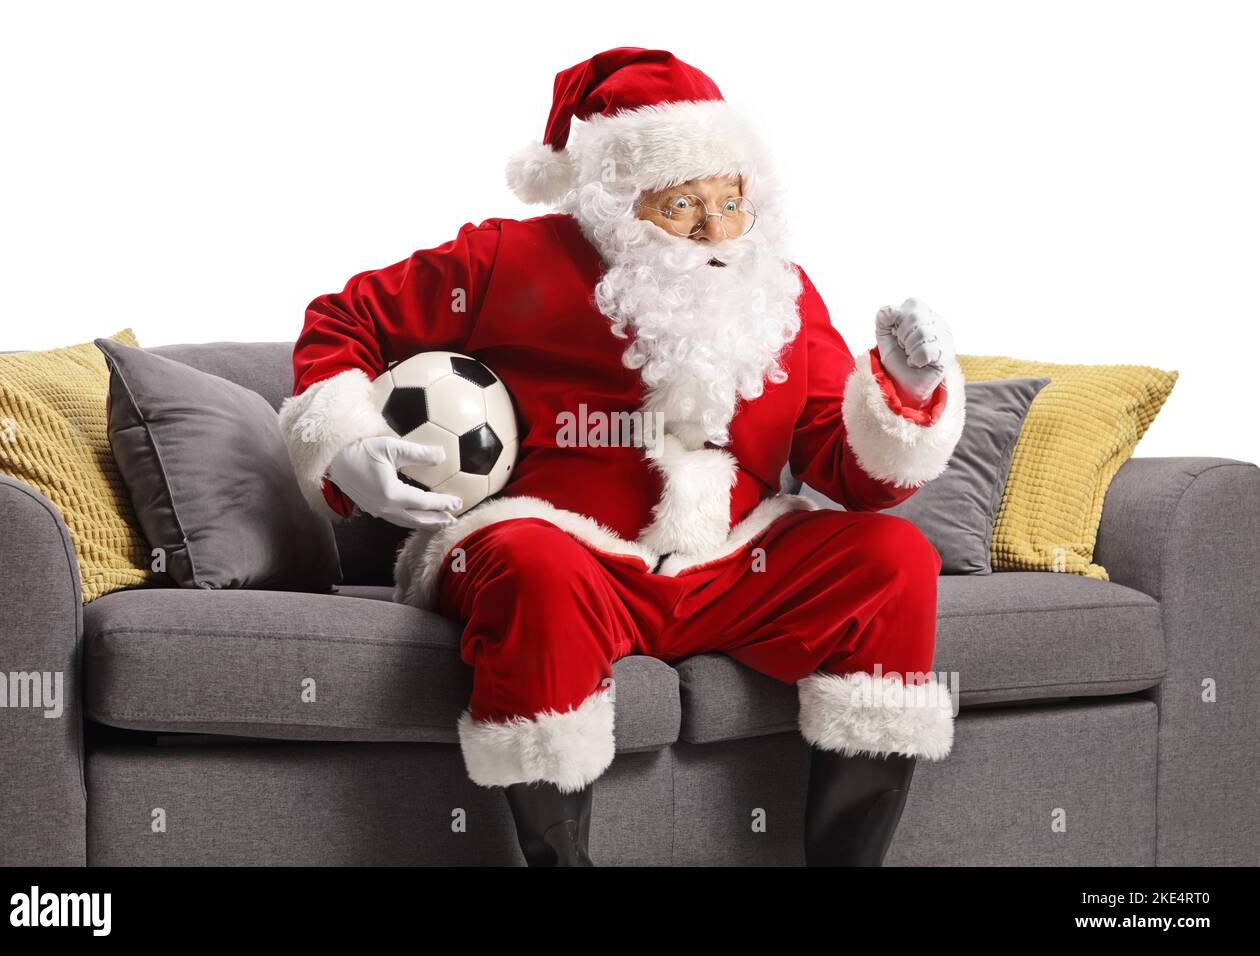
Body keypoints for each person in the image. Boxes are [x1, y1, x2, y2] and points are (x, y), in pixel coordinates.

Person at [279, 47, 966, 867]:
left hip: (727, 566)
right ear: (615, 199)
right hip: (565, 553)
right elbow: (342, 319)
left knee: (892, 558)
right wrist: (348, 443)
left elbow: (848, 476)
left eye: (732, 201)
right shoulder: (508, 261)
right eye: (684, 204)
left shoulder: (779, 292)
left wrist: (907, 392)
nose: (719, 232)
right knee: (534, 565)